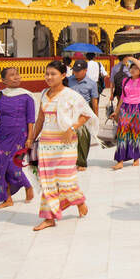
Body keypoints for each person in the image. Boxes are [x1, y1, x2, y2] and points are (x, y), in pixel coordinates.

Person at [27, 59, 97, 231]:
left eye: (53, 74)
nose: (48, 77)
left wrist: (72, 128)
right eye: (47, 74)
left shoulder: (70, 95)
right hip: (46, 143)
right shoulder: (44, 93)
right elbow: (40, 119)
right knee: (47, 181)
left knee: (66, 179)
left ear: (63, 75)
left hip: (66, 143)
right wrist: (31, 138)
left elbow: (87, 114)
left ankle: (78, 200)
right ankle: (49, 218)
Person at [0, 66, 37, 208]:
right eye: (12, 75)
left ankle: (27, 185)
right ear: (4, 80)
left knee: (13, 167)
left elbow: (31, 120)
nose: (16, 77)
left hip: (20, 137)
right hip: (3, 137)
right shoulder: (0, 95)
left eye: (17, 74)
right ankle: (7, 199)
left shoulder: (27, 96)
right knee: (1, 168)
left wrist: (30, 138)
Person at [110, 57, 140, 169]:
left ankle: (136, 158)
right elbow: (123, 97)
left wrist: (133, 59)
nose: (133, 70)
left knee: (136, 133)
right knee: (121, 132)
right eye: (132, 68)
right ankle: (120, 160)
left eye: (136, 68)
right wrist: (116, 111)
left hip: (139, 108)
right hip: (126, 108)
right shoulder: (126, 80)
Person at [66, 59, 100, 169]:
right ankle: (72, 159)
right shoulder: (68, 80)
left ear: (85, 70)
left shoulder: (92, 83)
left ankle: (81, 162)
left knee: (84, 137)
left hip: (85, 111)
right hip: (70, 110)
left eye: (79, 71)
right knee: (71, 135)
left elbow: (94, 100)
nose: (76, 73)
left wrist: (95, 115)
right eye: (75, 70)